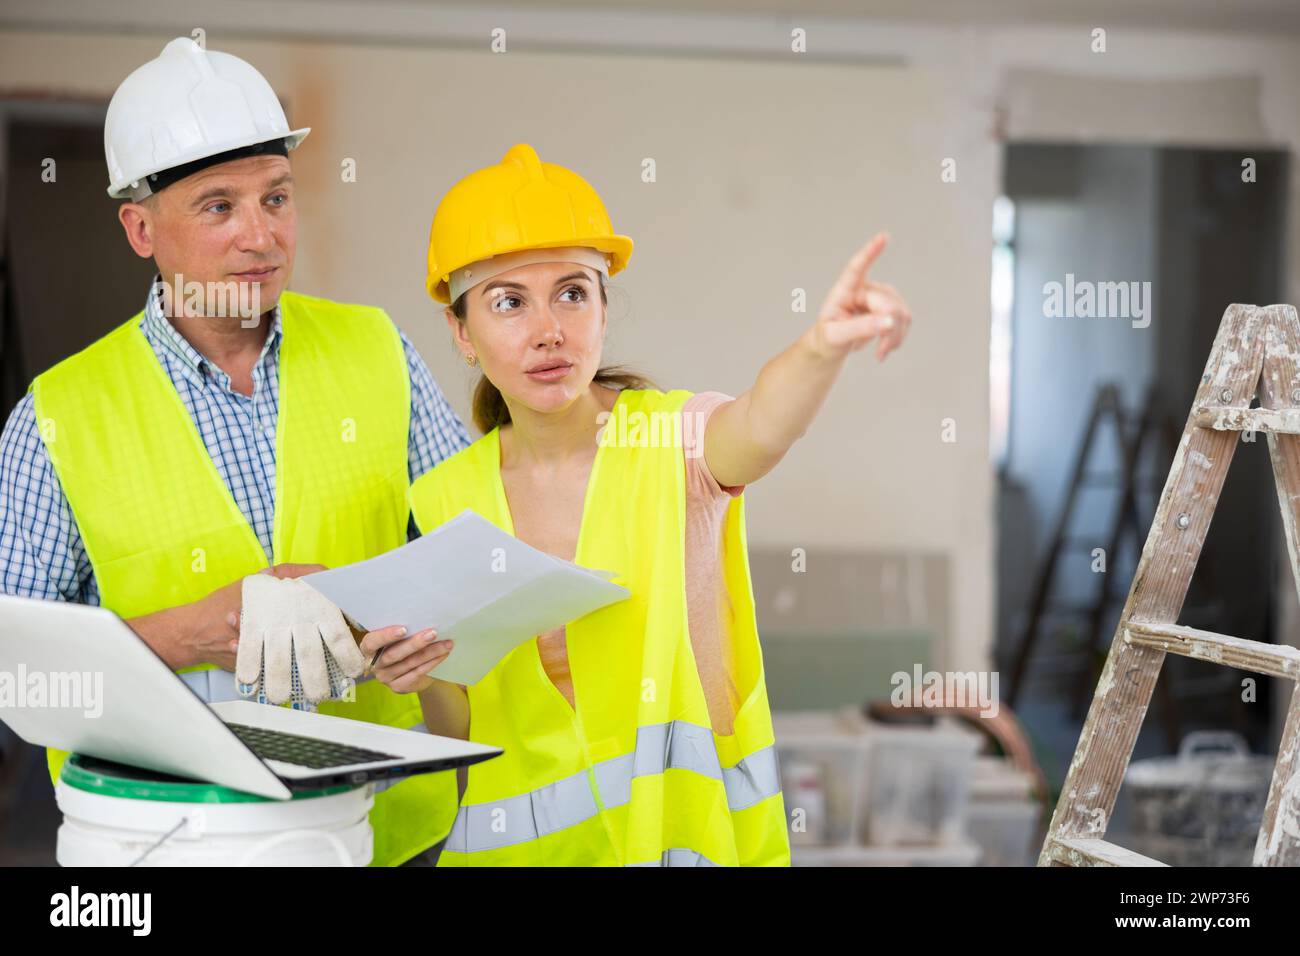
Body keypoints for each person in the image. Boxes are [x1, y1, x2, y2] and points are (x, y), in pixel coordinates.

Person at [360, 143, 913, 865]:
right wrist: (424, 673)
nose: (548, 329)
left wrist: (819, 348)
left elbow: (759, 424)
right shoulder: (442, 501)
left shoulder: (673, 442)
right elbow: (462, 739)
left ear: (602, 306)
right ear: (463, 334)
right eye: (508, 302)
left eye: (572, 291)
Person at [0, 37, 471, 866]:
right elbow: (19, 675)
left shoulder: (376, 348)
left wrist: (423, 627)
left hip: (389, 833)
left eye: (277, 198)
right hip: (171, 842)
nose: (263, 237)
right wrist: (195, 632)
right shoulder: (56, 418)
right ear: (140, 228)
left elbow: (471, 557)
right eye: (219, 206)